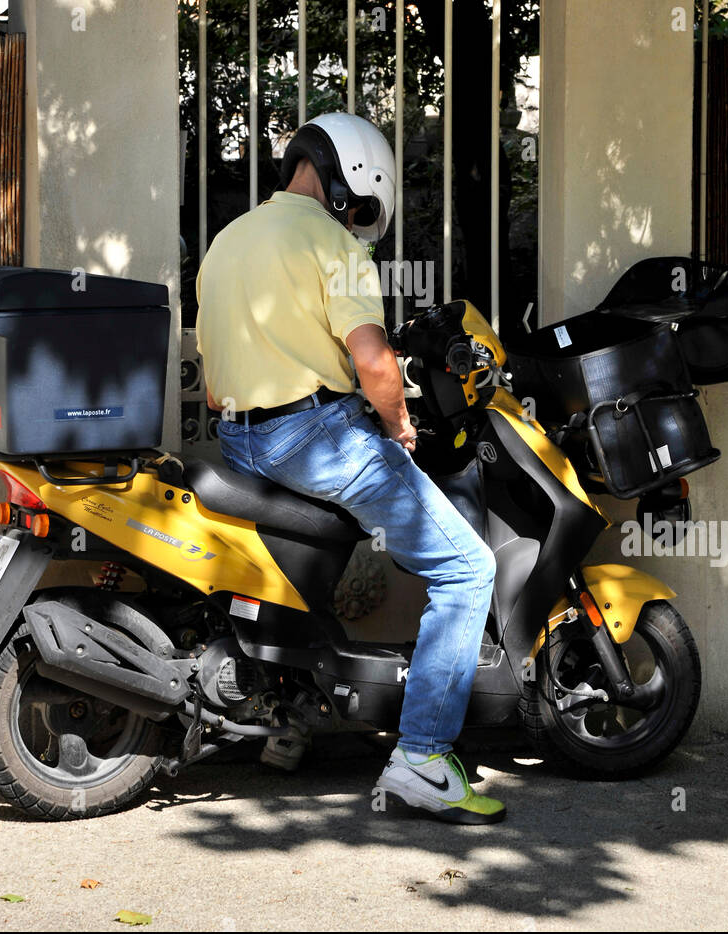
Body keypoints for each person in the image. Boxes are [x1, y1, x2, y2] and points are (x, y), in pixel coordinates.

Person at [195, 112, 504, 825]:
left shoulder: (228, 241)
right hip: (312, 437)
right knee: (467, 570)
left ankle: (294, 720)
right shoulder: (333, 246)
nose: (357, 220)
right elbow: (372, 362)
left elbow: (213, 388)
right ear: (352, 178)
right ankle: (422, 760)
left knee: (326, 556)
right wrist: (397, 423)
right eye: (362, 210)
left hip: (242, 438)